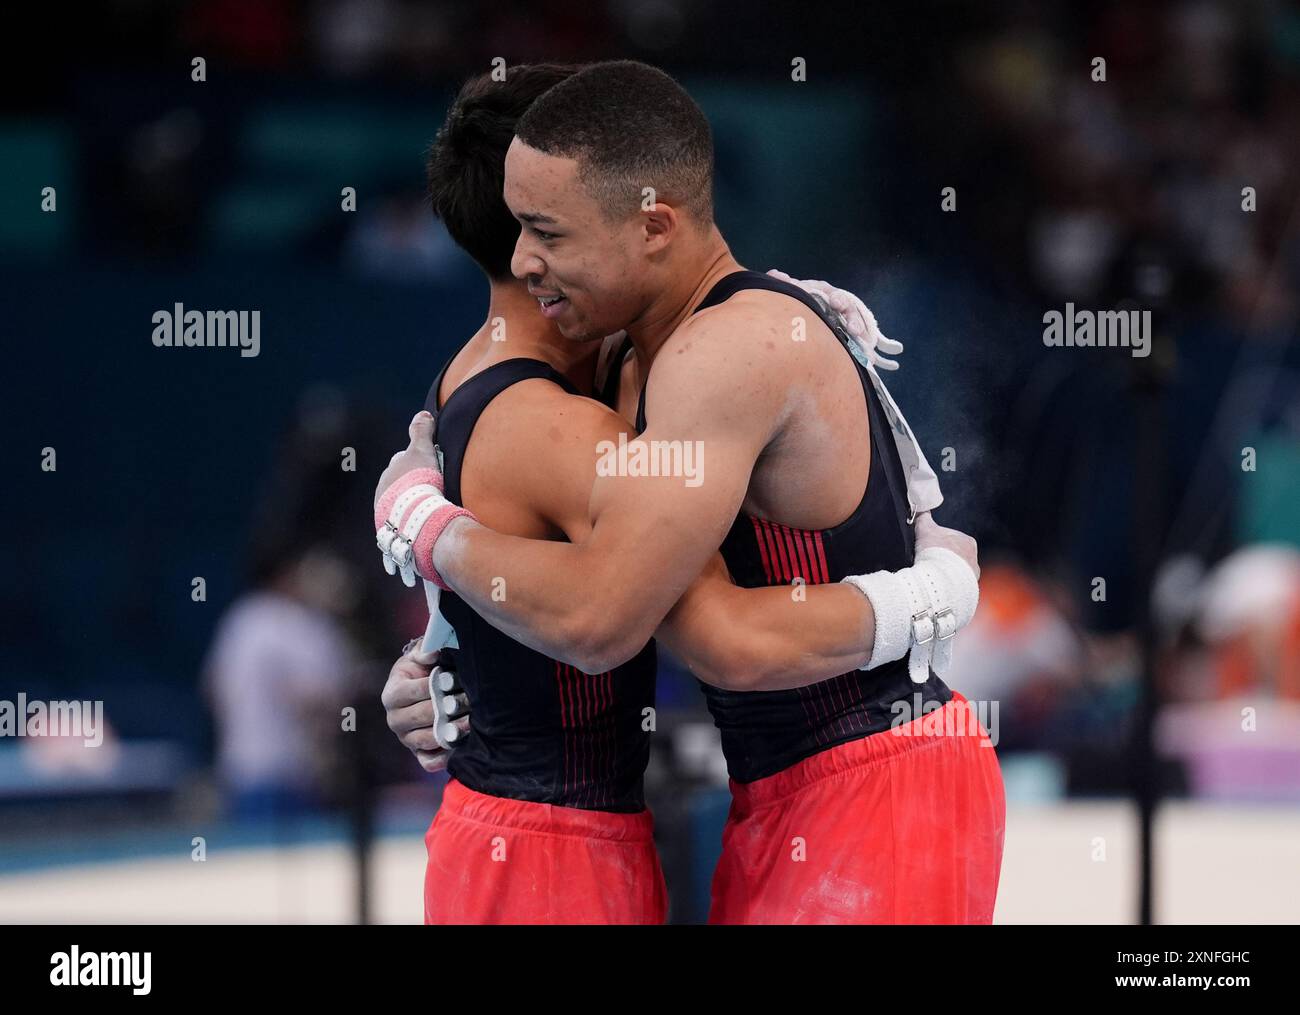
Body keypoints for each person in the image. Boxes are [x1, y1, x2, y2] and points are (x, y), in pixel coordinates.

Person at [377, 61, 998, 924]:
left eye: (546, 232)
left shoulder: (724, 352)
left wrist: (423, 525)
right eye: (516, 228)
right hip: (778, 788)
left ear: (652, 225)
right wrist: (446, 645)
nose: (524, 262)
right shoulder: (635, 355)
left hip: (876, 772)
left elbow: (646, 625)